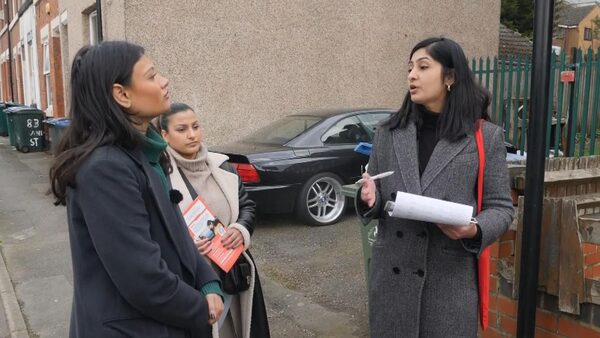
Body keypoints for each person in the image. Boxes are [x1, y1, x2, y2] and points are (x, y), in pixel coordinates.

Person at [49, 41, 224, 338]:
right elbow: (142, 278)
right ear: (122, 95)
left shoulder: (146, 152)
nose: (164, 82)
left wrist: (208, 281)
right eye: (152, 75)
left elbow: (176, 232)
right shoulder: (105, 168)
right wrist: (200, 309)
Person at [358, 37, 514, 337]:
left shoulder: (485, 137)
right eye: (410, 68)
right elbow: (375, 196)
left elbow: (501, 208)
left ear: (450, 77)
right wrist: (369, 199)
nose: (412, 75)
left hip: (448, 287)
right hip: (393, 284)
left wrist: (474, 229)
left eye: (423, 67)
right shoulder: (389, 132)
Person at [158, 103, 270, 338]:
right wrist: (184, 247)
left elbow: (246, 205)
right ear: (164, 135)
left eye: (196, 126)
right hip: (191, 280)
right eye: (182, 129)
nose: (192, 134)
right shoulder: (159, 175)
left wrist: (240, 229)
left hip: (233, 271)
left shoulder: (223, 165)